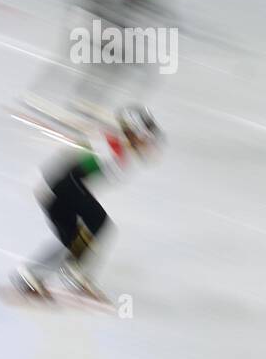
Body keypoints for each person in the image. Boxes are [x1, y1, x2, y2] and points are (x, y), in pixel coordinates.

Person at [14, 104, 161, 300]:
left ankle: (38, 275)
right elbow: (73, 172)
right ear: (133, 131)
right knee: (96, 222)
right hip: (58, 188)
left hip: (55, 188)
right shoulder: (112, 147)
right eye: (144, 136)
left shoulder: (116, 143)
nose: (147, 142)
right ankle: (68, 273)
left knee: (75, 239)